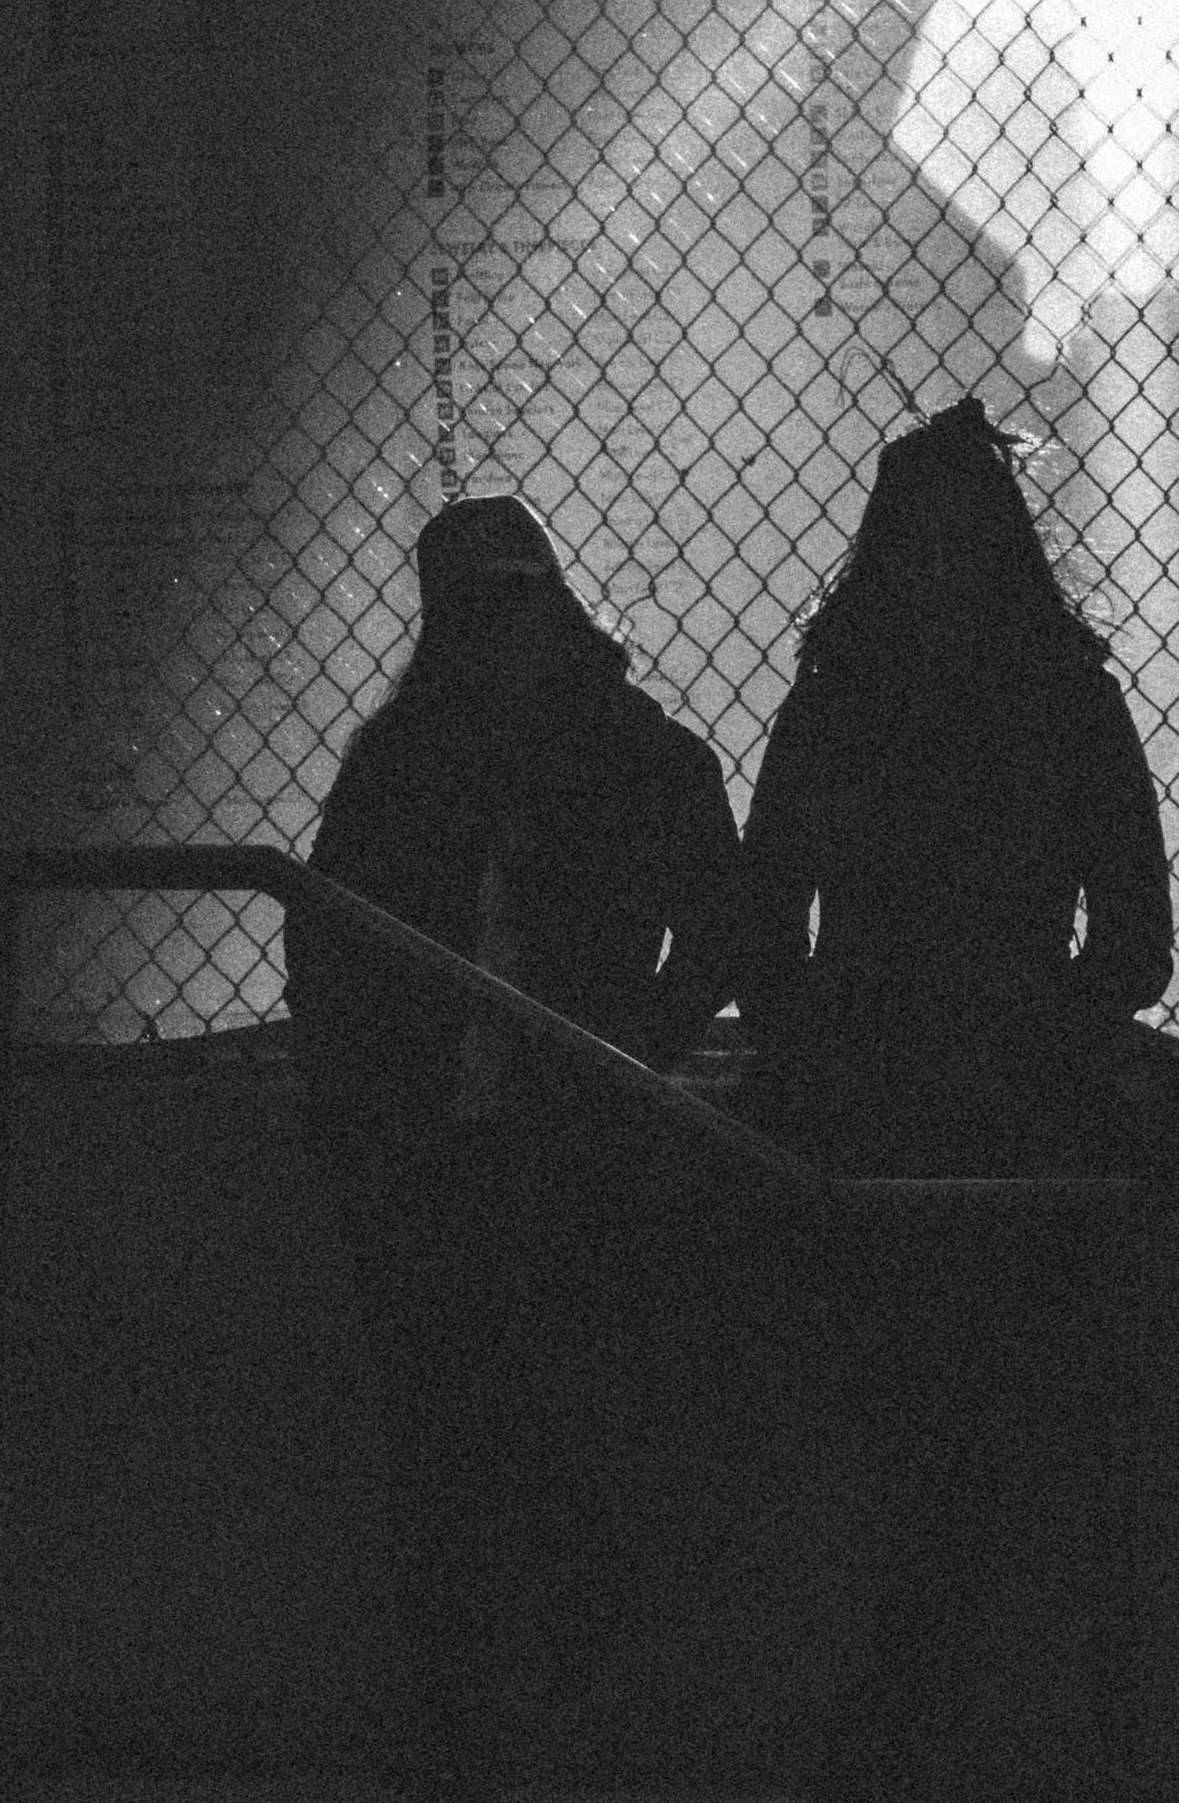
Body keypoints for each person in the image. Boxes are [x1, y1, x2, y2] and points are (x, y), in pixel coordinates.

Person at [738, 400, 1173, 1797]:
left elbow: (764, 926)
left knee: (899, 1440)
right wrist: (1032, 1015)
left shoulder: (839, 692)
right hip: (1023, 1120)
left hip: (867, 1118)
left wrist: (824, 1045)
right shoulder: (1066, 690)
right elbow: (1139, 947)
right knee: (1012, 1446)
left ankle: (893, 1724)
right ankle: (987, 1724)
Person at [286, 493, 742, 1798]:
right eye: (476, 610)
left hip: (547, 1150)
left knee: (544, 1433)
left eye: (510, 603)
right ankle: (494, 1720)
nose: (496, 633)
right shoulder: (435, 764)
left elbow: (720, 921)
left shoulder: (575, 755)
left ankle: (545, 1712)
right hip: (455, 1152)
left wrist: (625, 1047)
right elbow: (330, 955)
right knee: (460, 1438)